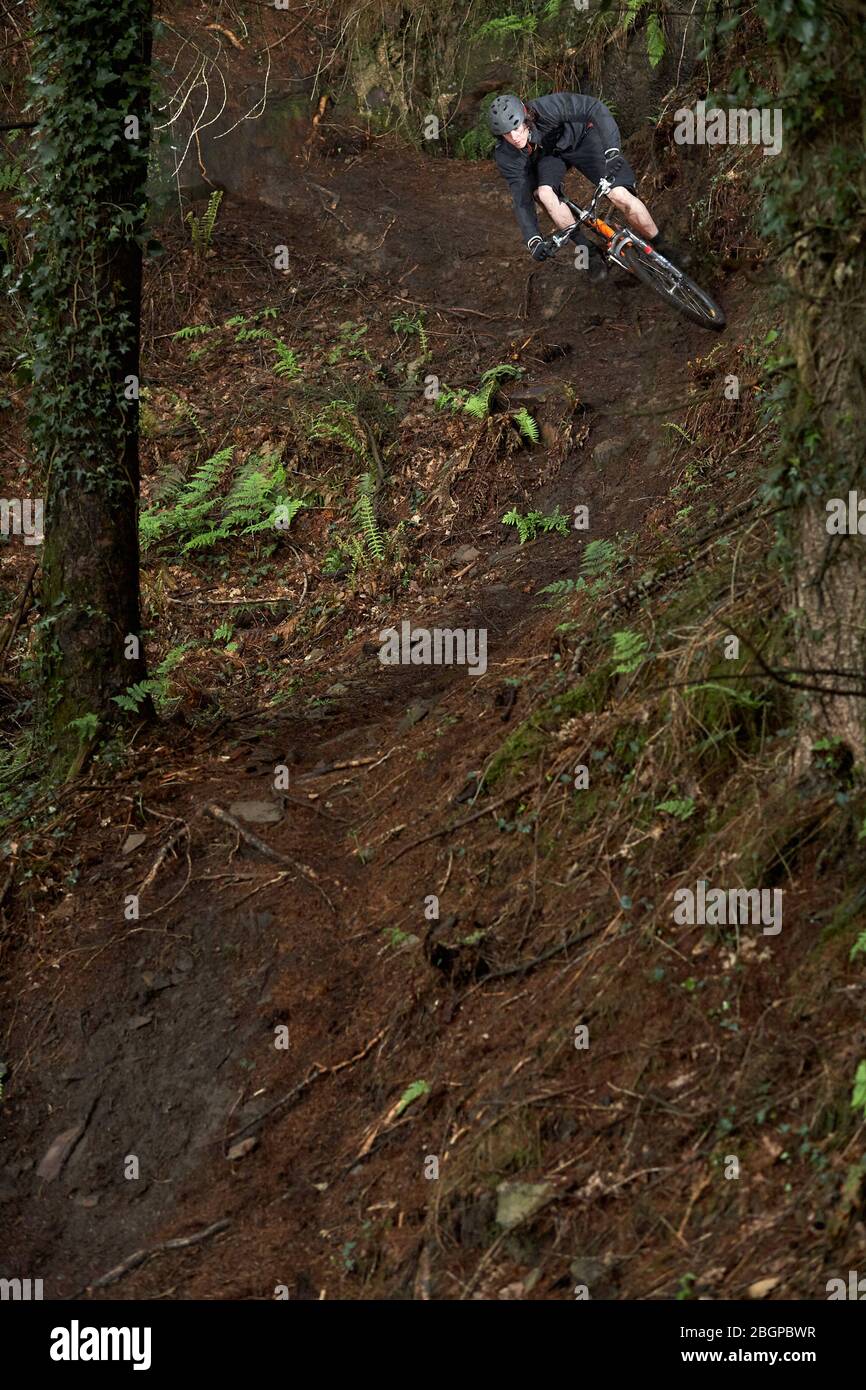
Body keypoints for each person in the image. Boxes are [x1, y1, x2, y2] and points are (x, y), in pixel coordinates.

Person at [489, 91, 675, 282]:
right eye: (506, 134)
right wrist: (533, 240)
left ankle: (661, 244)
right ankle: (588, 253)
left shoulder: (547, 108)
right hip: (551, 156)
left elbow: (594, 108)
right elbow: (521, 198)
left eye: (517, 128)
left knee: (620, 194)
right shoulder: (506, 154)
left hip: (581, 138)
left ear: (526, 118)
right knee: (544, 194)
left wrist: (612, 151)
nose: (514, 137)